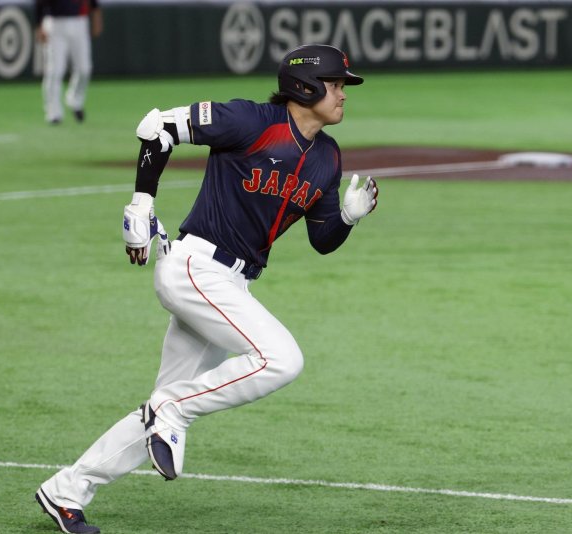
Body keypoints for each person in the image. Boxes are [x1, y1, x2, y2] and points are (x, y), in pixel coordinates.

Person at [34, 44, 378, 534]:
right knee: (282, 359)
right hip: (195, 268)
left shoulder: (327, 157)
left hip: (231, 284)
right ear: (305, 87)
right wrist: (141, 203)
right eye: (336, 84)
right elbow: (157, 127)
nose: (343, 94)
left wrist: (346, 216)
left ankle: (67, 490)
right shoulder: (250, 121)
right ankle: (173, 412)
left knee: (158, 409)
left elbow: (322, 240)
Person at [34, 0, 103, 124]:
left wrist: (97, 17)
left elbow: (93, 4)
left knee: (84, 69)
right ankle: (53, 112)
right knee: (55, 70)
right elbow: (40, 3)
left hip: (80, 22)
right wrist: (39, 25)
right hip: (55, 22)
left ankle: (75, 100)